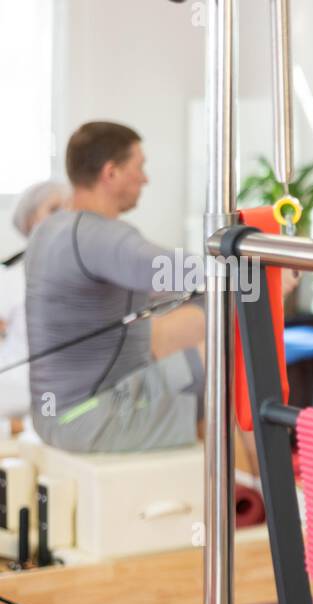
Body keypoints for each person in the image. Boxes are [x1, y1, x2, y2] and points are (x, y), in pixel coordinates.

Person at [24, 121, 207, 453]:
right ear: (111, 173)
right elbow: (189, 272)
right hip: (94, 418)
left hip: (52, 414)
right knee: (225, 366)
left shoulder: (49, 229)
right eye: (139, 167)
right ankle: (257, 497)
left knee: (200, 325)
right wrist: (258, 271)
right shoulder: (99, 236)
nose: (145, 178)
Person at [0, 180, 69, 424]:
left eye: (67, 207)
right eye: (53, 209)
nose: (63, 215)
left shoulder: (81, 269)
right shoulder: (10, 277)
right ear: (29, 220)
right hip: (16, 387)